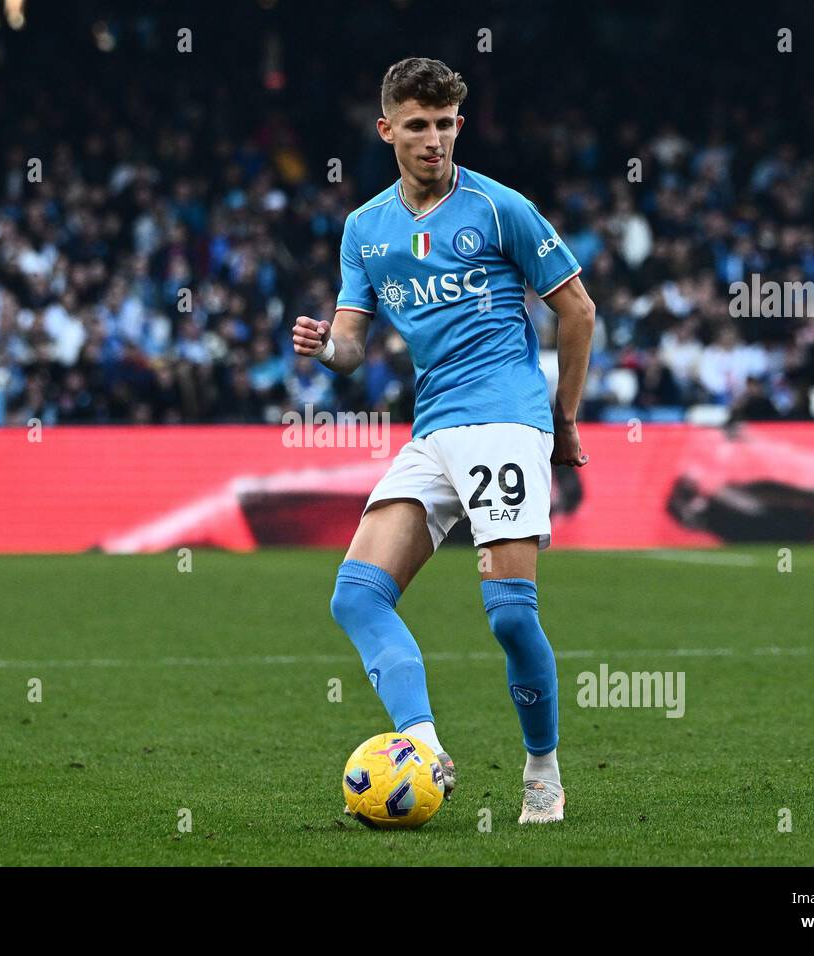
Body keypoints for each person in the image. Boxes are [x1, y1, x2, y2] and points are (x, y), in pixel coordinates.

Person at [291, 57, 595, 824]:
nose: (434, 139)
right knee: (356, 596)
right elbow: (355, 346)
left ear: (461, 124)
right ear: (386, 127)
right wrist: (328, 348)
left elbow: (579, 311)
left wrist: (561, 419)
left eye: (446, 124)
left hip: (505, 419)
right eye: (417, 125)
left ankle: (542, 771)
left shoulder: (501, 209)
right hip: (434, 427)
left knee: (510, 616)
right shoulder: (365, 228)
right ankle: (422, 748)